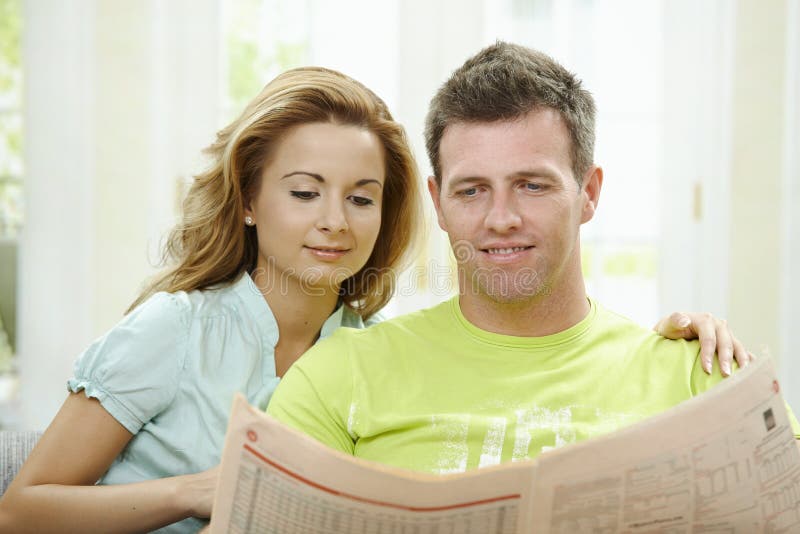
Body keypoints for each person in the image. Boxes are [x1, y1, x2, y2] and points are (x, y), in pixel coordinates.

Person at [0, 63, 750, 533]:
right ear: (251, 202)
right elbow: (22, 508)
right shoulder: (182, 328)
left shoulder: (359, 342)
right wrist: (196, 491)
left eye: (361, 198)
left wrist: (682, 350)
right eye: (304, 193)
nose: (333, 220)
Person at [266, 43, 800, 474]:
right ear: (438, 204)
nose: (501, 218)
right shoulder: (337, 376)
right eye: (472, 190)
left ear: (588, 192)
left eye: (531, 184)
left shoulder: (704, 379)